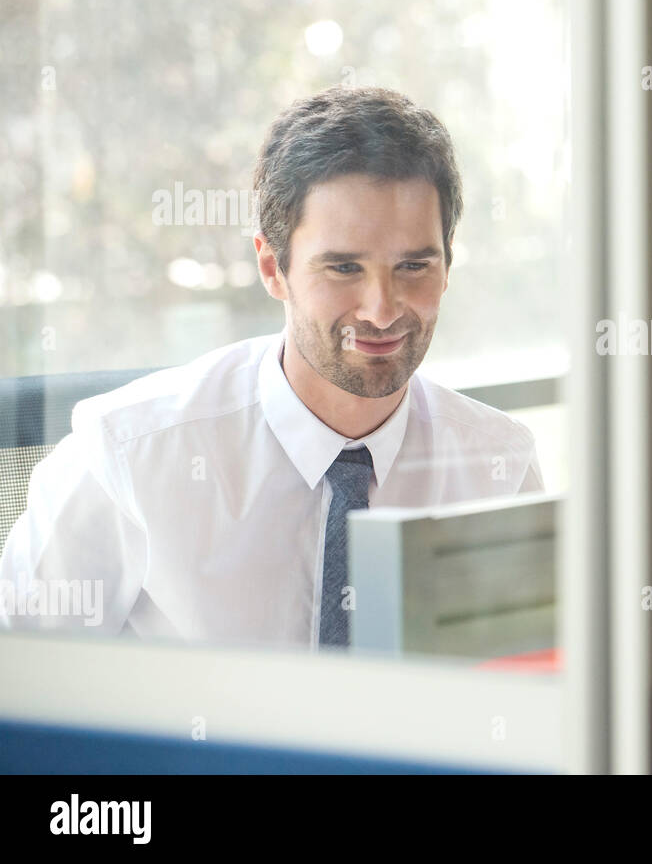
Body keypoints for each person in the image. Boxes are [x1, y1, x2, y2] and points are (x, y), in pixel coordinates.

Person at [0, 86, 544, 649]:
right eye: (342, 268)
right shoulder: (129, 458)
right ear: (272, 267)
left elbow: (530, 697)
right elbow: (15, 690)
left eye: (413, 265)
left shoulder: (499, 470)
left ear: (448, 264)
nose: (382, 309)